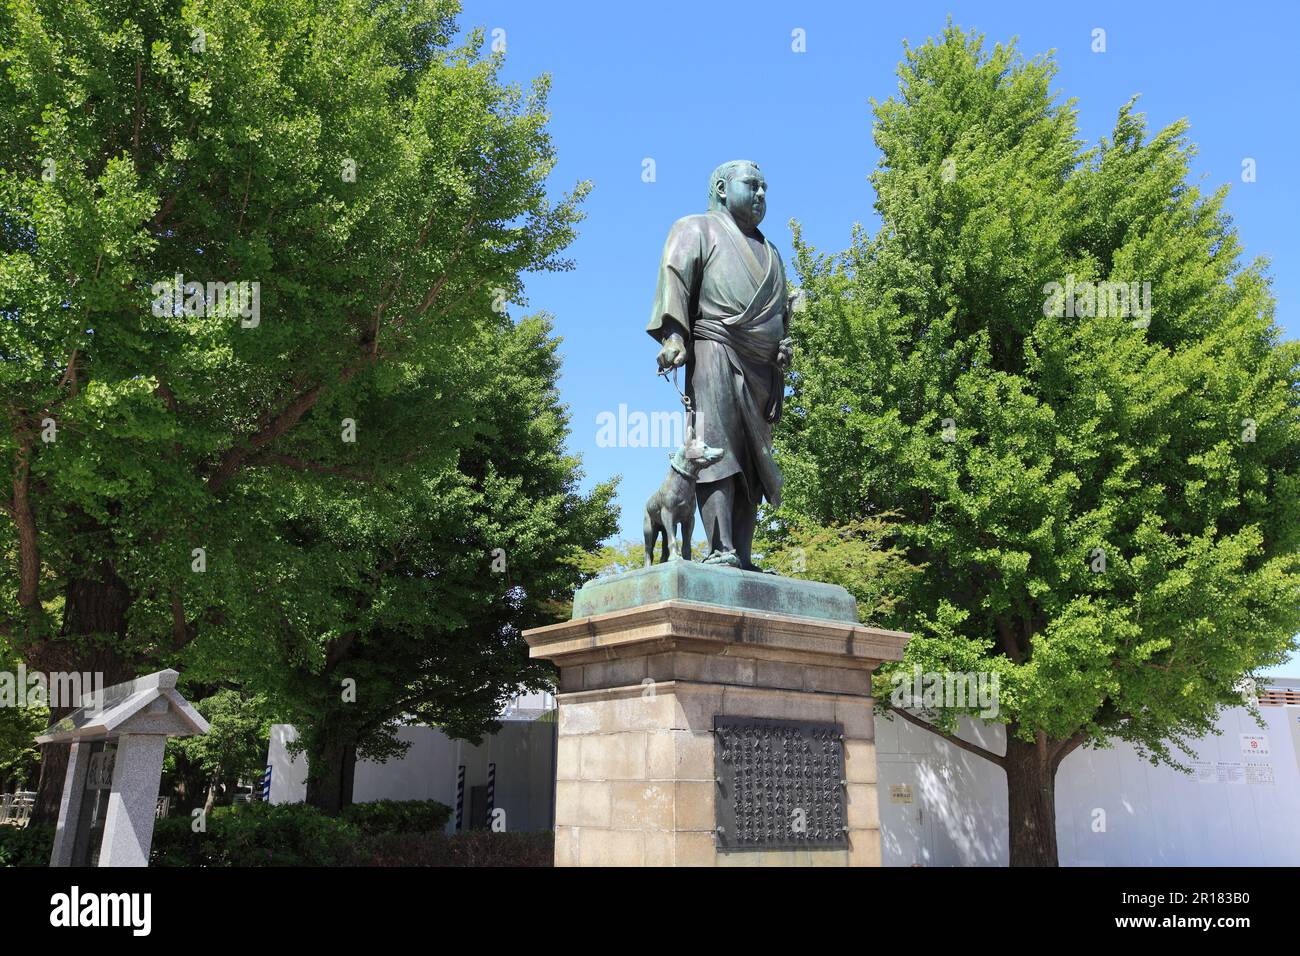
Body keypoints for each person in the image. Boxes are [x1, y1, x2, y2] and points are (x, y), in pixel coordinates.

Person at [647, 160, 793, 570]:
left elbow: (779, 312)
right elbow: (675, 277)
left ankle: (743, 556)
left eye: (766, 187)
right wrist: (675, 334)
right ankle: (718, 546)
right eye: (753, 185)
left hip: (762, 368)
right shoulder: (696, 228)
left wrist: (784, 345)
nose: (762, 194)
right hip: (714, 346)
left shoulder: (772, 251)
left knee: (754, 459)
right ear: (722, 188)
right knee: (717, 448)